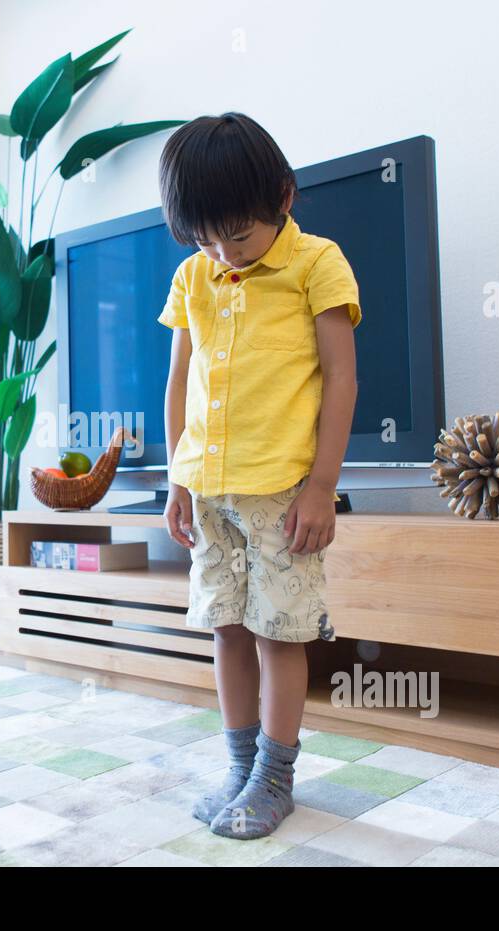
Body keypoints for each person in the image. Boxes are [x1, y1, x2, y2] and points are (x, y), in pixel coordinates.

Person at [156, 112, 362, 839]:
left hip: (281, 492)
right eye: (206, 238)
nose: (223, 252)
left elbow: (340, 378)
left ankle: (275, 779)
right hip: (207, 489)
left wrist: (320, 486)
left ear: (283, 196)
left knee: (279, 633)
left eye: (237, 236)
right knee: (226, 629)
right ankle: (240, 770)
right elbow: (181, 379)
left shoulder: (318, 264)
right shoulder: (195, 275)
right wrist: (179, 477)